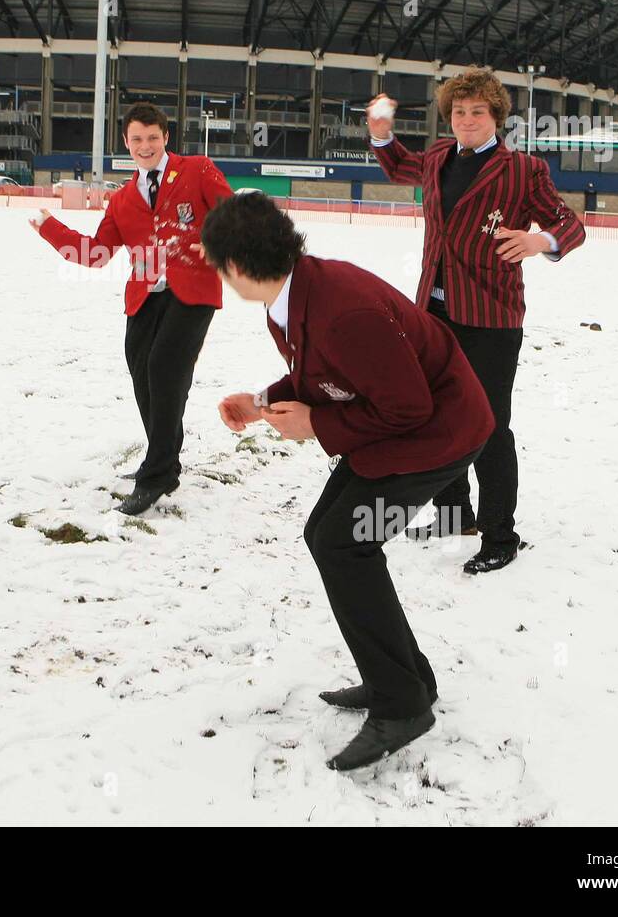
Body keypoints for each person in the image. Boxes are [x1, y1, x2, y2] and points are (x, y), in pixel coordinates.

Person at [201, 191, 494, 771]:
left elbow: (407, 406)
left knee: (345, 544)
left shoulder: (343, 310)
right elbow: (324, 371)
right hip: (401, 426)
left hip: (440, 435)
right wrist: (263, 401)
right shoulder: (296, 291)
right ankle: (406, 679)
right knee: (330, 537)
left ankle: (402, 704)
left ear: (235, 266)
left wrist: (316, 424)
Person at [367, 67, 585, 573]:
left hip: (491, 316)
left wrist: (539, 240)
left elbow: (569, 223)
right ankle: (454, 516)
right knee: (439, 416)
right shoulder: (439, 157)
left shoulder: (523, 170)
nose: (467, 120)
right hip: (434, 311)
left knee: (488, 426)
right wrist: (380, 134)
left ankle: (500, 534)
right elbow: (399, 165)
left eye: (477, 112)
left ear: (496, 117)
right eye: (459, 111)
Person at [30, 103, 232, 515]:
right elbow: (97, 253)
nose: (145, 146)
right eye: (137, 139)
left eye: (153, 138)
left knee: (164, 367)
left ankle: (156, 475)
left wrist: (218, 244)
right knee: (142, 372)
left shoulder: (197, 170)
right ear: (126, 142)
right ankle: (165, 459)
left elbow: (234, 216)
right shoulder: (122, 199)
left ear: (166, 138)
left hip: (192, 290)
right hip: (144, 295)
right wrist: (50, 228)